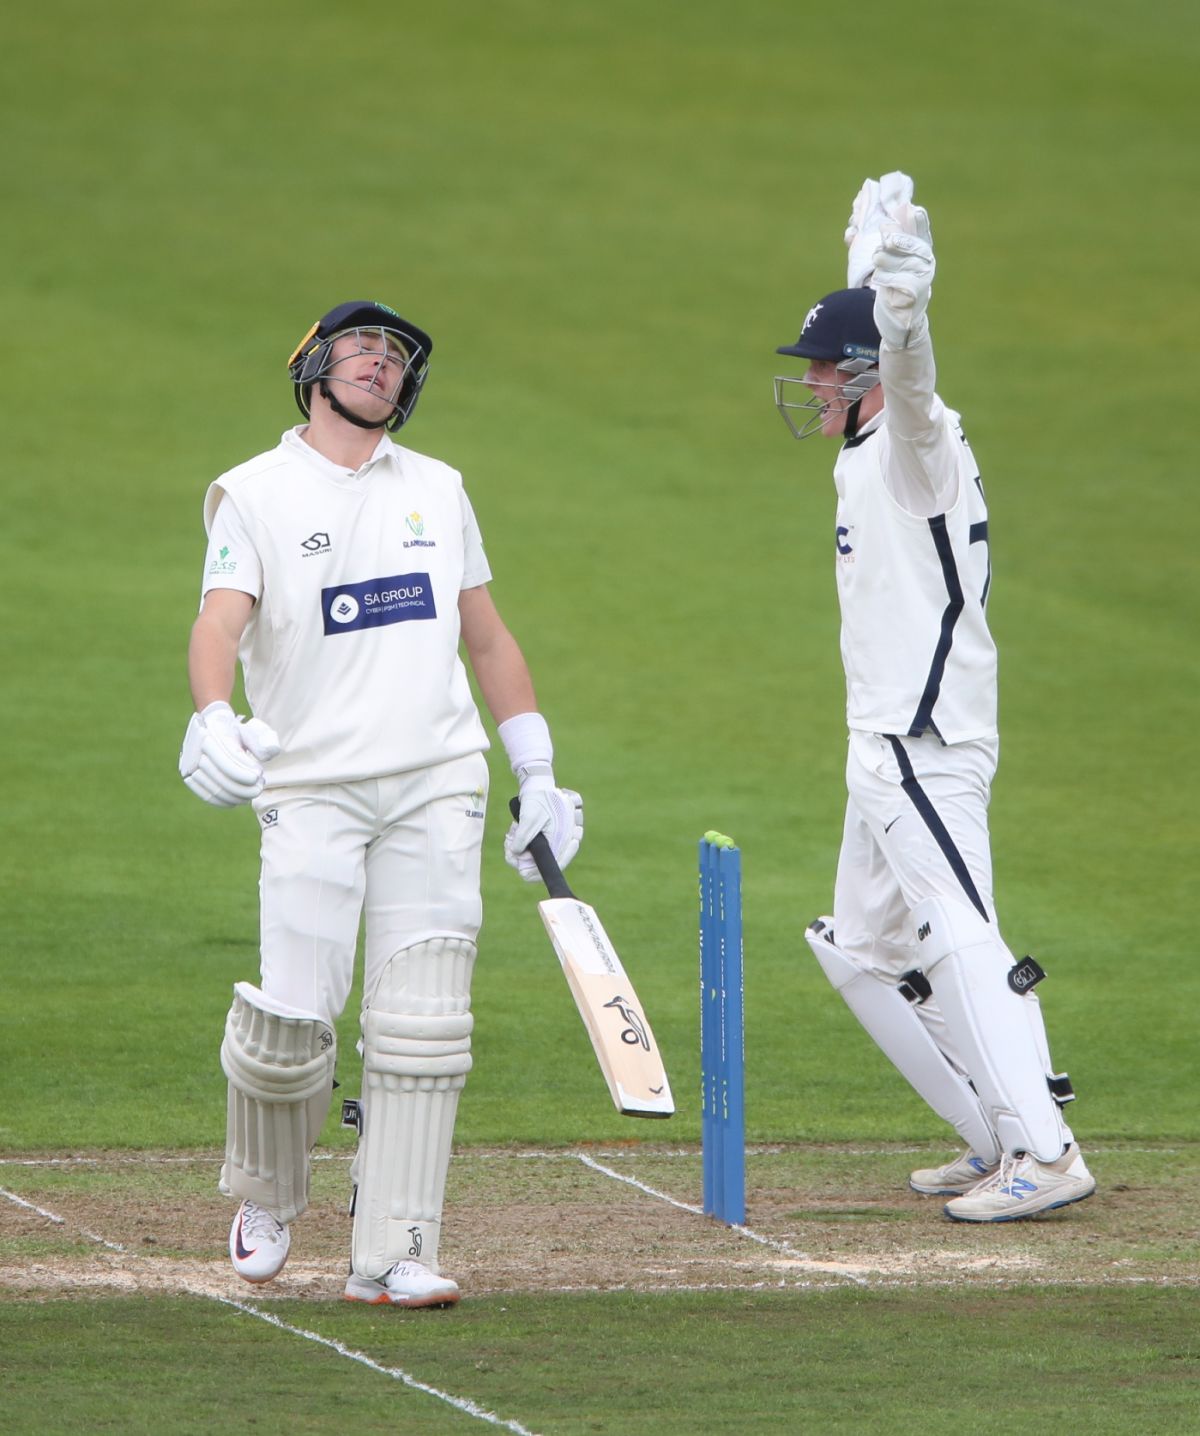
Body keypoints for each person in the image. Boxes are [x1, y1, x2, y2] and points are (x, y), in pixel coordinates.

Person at [179, 300, 584, 1303]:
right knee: (292, 1023)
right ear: (311, 365)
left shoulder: (439, 490)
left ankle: (395, 1246)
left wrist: (538, 770)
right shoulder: (256, 493)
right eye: (360, 346)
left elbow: (484, 636)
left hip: (435, 778)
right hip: (310, 781)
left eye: (396, 355)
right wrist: (214, 716)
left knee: (423, 1023)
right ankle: (269, 1192)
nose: (379, 361)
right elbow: (218, 622)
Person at [772, 175, 1094, 1222]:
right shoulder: (873, 450)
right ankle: (992, 1133)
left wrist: (903, 316)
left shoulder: (917, 445)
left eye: (825, 369)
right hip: (882, 737)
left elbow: (910, 390)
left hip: (925, 736)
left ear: (866, 375)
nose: (812, 384)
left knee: (958, 927)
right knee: (861, 943)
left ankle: (1043, 1149)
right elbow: (889, 390)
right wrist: (870, 284)